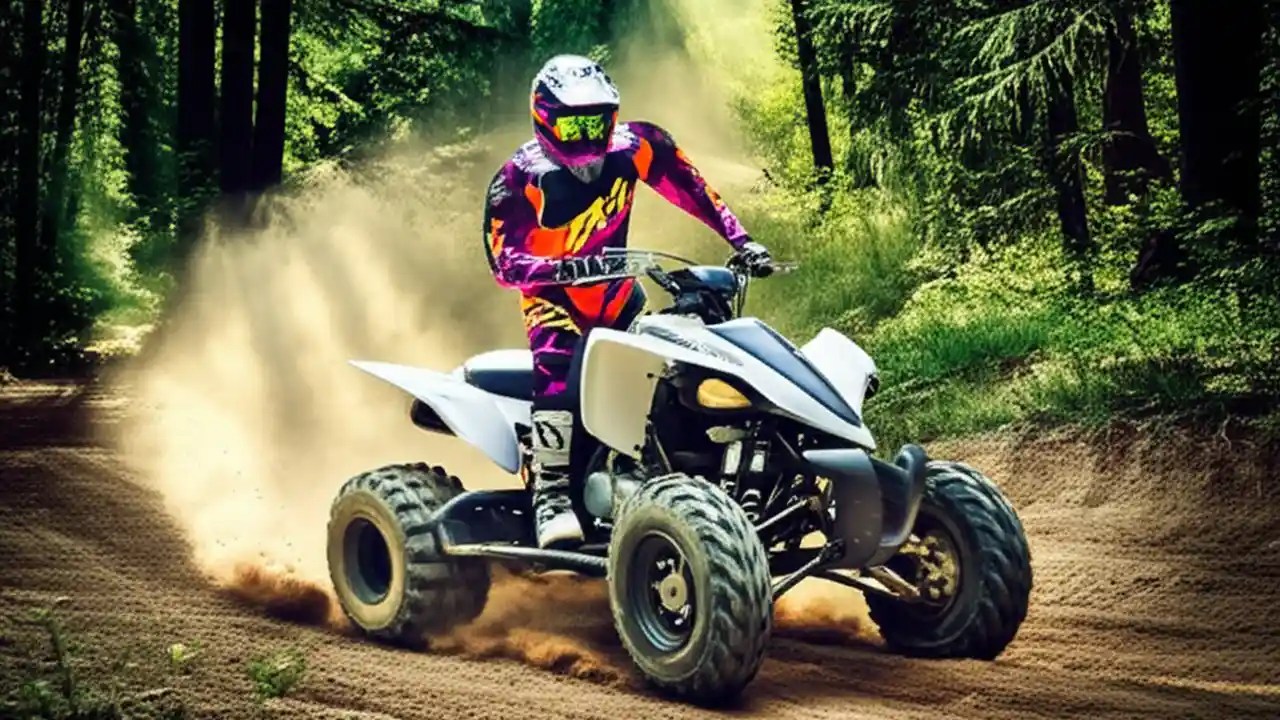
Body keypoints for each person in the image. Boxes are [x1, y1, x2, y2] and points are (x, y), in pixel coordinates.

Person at [482, 54, 772, 549]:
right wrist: (557, 269)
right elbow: (502, 261)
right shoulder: (518, 177)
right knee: (558, 369)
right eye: (574, 123)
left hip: (619, 297)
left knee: (674, 370)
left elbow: (692, 187)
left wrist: (741, 241)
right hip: (554, 301)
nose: (586, 135)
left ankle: (678, 476)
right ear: (545, 117)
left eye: (597, 120)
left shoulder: (637, 146)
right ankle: (550, 497)